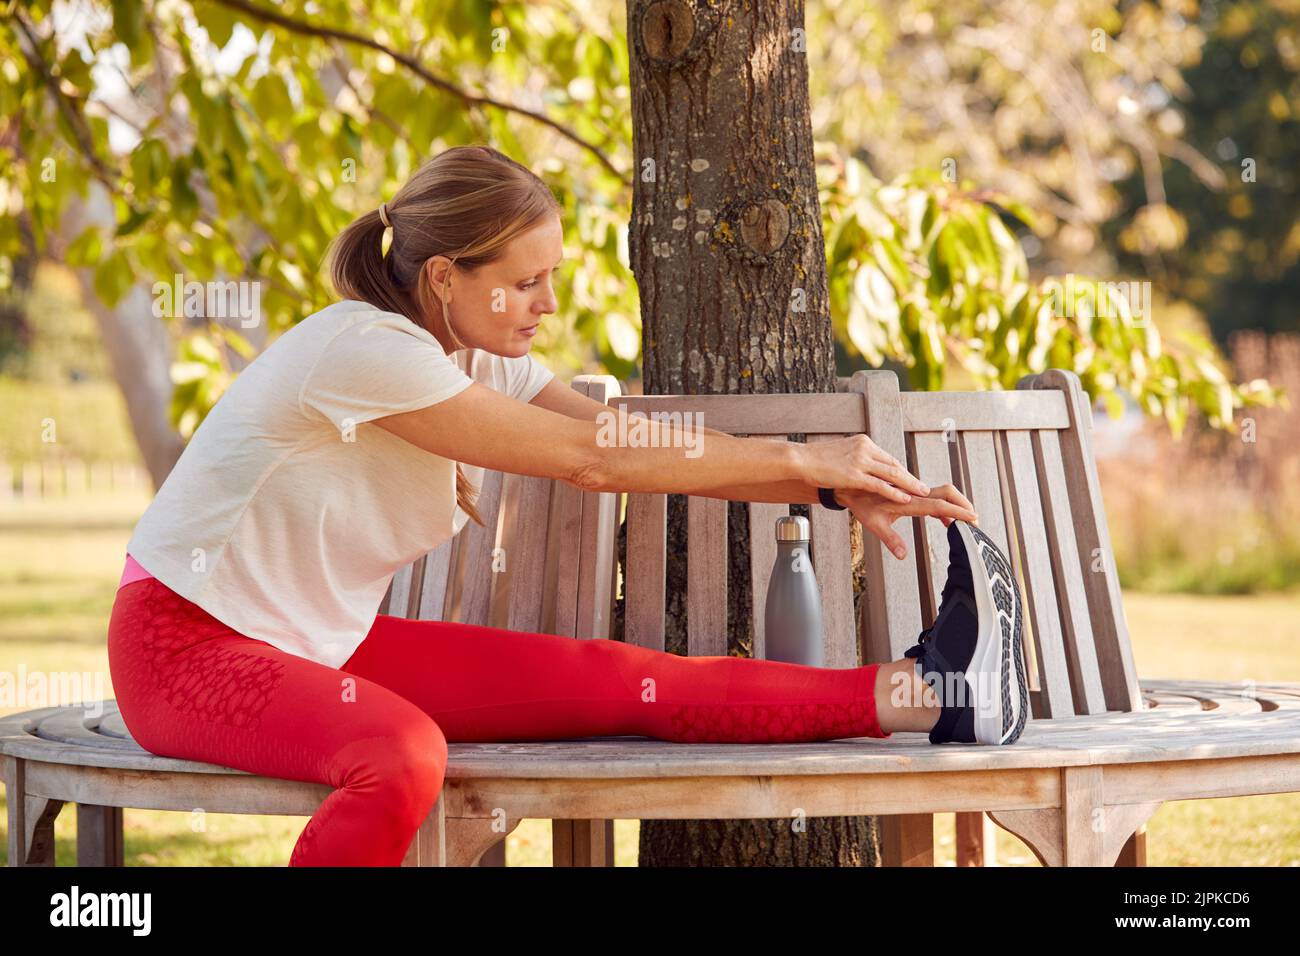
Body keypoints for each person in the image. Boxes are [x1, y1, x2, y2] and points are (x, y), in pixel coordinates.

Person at [107, 144, 1028, 867]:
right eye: (525, 280)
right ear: (444, 279)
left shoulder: (479, 353)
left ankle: (937, 691)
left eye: (552, 276)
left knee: (620, 676)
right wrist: (798, 455)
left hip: (317, 638)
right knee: (400, 756)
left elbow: (627, 447)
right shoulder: (364, 348)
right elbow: (591, 460)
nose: (547, 304)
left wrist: (825, 482)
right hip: (186, 642)